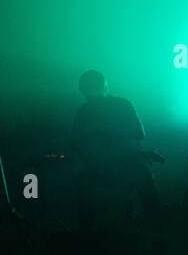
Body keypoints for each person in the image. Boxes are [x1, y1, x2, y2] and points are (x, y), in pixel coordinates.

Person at [68, 70, 160, 227]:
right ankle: (156, 228)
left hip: (117, 166)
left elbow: (139, 133)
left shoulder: (91, 111)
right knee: (144, 178)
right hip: (108, 167)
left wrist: (103, 135)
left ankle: (156, 228)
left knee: (143, 177)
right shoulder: (117, 105)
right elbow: (75, 144)